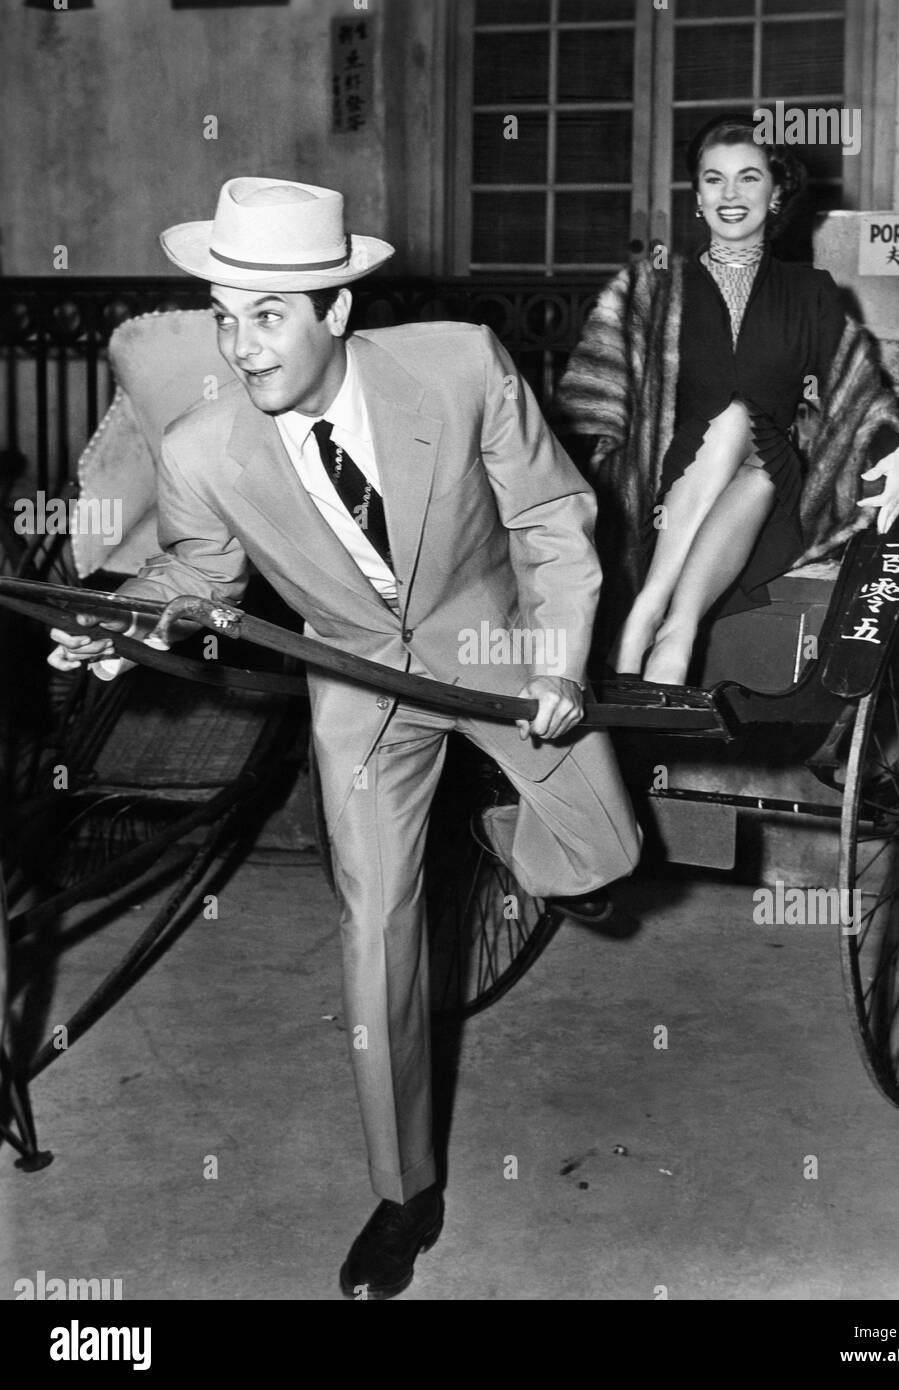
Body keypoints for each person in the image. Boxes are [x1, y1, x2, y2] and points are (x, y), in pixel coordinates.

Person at [49, 177, 641, 1299]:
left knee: (608, 853)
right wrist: (121, 622)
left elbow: (550, 517)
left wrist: (559, 659)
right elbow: (198, 573)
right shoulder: (203, 450)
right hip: (356, 678)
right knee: (374, 926)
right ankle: (403, 1189)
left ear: (336, 310)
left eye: (267, 314)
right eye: (225, 315)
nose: (242, 344)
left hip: (495, 643)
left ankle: (515, 832)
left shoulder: (458, 366)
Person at [555, 113, 899, 684]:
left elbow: (858, 391)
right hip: (656, 486)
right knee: (733, 422)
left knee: (755, 456)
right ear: (698, 196)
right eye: (713, 179)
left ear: (776, 193)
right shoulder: (651, 286)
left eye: (749, 178)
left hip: (768, 494)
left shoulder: (811, 292)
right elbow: (590, 400)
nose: (730, 195)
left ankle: (657, 629)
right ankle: (661, 625)